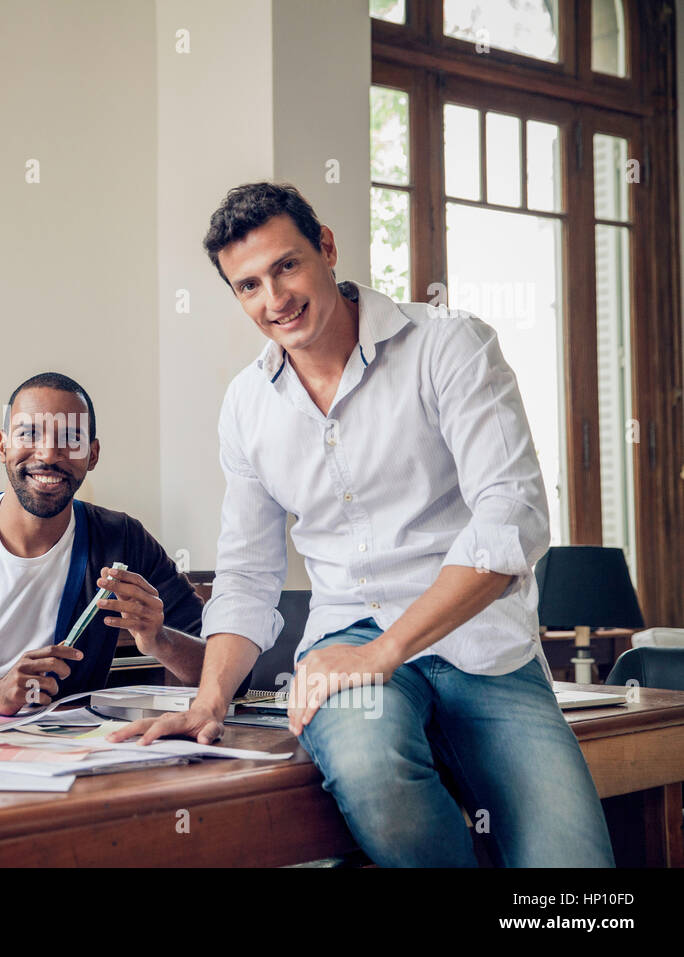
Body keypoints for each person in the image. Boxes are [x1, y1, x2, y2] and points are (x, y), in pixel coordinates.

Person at [110, 182, 614, 867]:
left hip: (482, 643)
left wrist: (386, 650)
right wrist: (208, 700)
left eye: (287, 266)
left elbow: (510, 519)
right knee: (379, 782)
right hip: (347, 643)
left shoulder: (448, 345)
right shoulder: (246, 406)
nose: (274, 299)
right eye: (249, 284)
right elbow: (249, 573)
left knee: (574, 871)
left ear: (327, 248)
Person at [0, 373, 206, 715]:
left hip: (71, 755)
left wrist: (159, 639)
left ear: (92, 454)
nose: (48, 453)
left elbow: (224, 671)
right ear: (2, 445)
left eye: (71, 438)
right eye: (29, 434)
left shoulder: (123, 540)